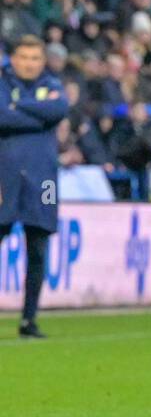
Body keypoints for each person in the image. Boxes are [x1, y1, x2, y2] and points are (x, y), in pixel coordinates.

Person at [0, 36, 68, 338]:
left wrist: (19, 106)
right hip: (5, 176)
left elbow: (59, 110)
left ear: (43, 61)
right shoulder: (2, 82)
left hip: (45, 182)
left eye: (35, 58)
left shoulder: (53, 84)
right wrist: (38, 114)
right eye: (24, 57)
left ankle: (29, 320)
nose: (29, 64)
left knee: (39, 248)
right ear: (13, 58)